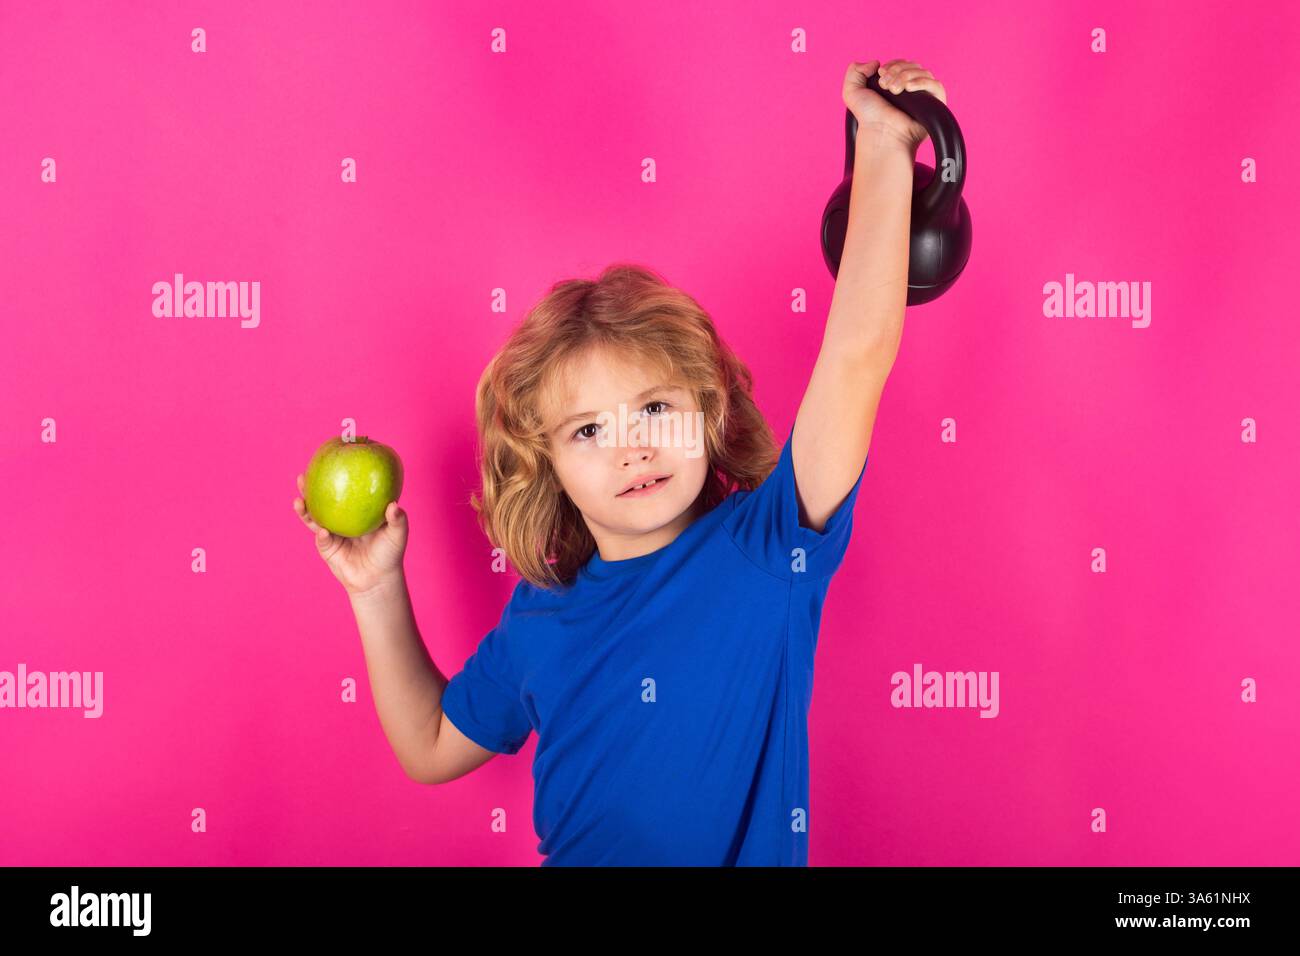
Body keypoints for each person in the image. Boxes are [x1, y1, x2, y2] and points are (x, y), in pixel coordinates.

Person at [294, 58, 946, 865]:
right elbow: (430, 746)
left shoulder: (770, 547)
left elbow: (854, 358)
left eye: (657, 411)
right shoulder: (541, 612)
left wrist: (883, 148)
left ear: (709, 416)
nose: (632, 446)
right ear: (549, 469)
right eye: (587, 432)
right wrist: (376, 587)